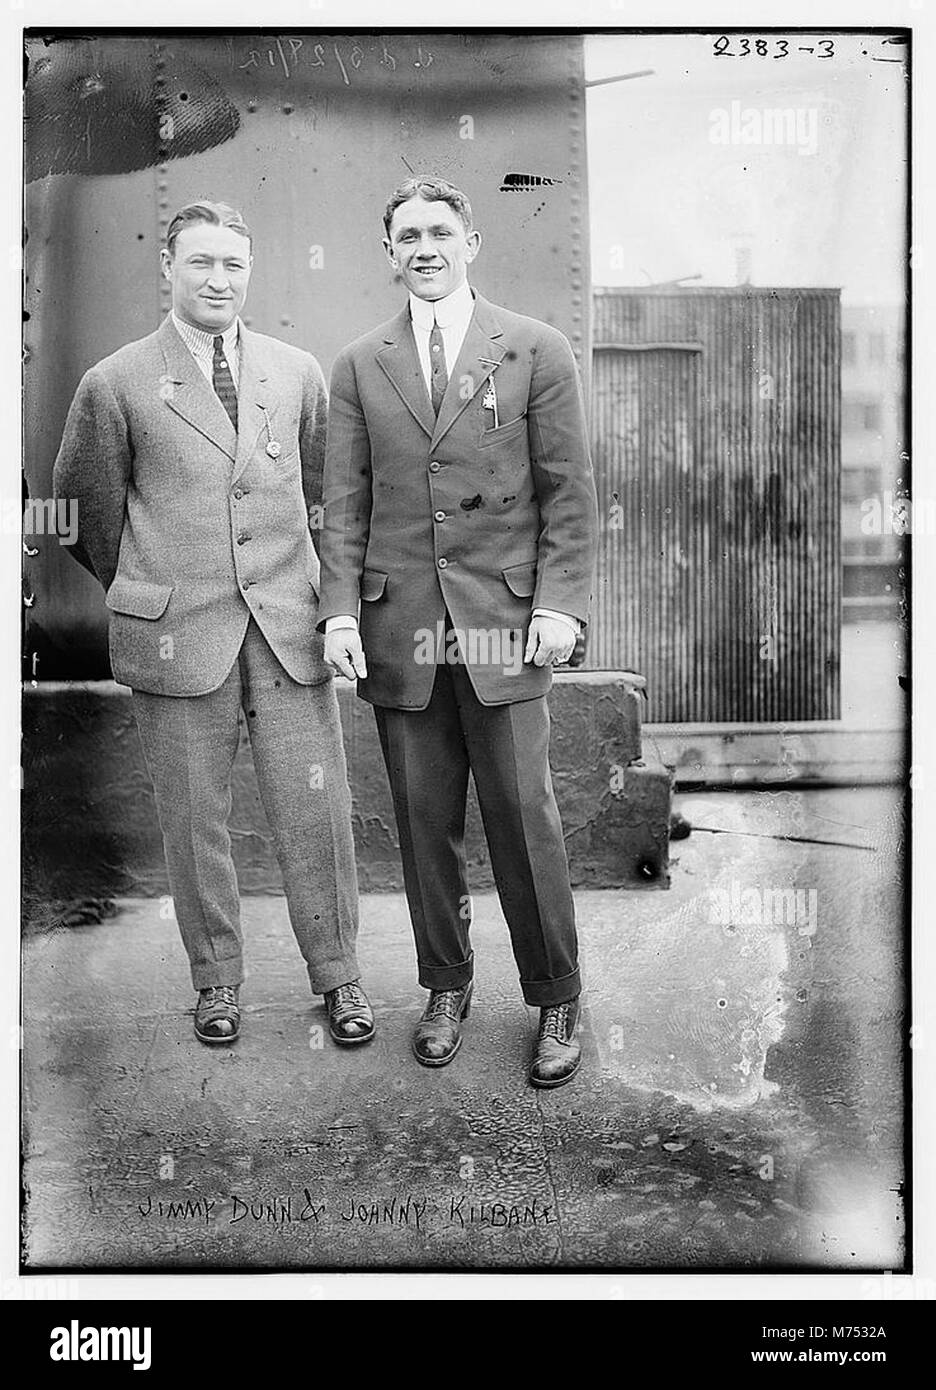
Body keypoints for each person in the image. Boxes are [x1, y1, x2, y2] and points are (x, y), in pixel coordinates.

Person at [53, 200, 374, 1049]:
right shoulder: (116, 380)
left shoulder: (295, 371)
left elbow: (329, 496)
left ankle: (339, 978)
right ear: (167, 267)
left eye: (233, 264)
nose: (218, 280)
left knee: (317, 812)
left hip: (287, 628)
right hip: (176, 637)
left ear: (251, 269)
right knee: (194, 820)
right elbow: (83, 514)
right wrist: (153, 583)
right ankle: (216, 984)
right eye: (200, 263)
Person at [319, 177, 598, 1088]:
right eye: (408, 236)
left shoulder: (536, 349)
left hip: (503, 630)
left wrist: (558, 604)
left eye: (442, 231)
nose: (426, 247)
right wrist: (338, 613)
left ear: (471, 240)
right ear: (389, 252)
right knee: (421, 821)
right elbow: (346, 505)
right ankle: (446, 986)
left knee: (524, 817)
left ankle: (557, 995)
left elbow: (569, 493)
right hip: (402, 631)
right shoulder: (360, 363)